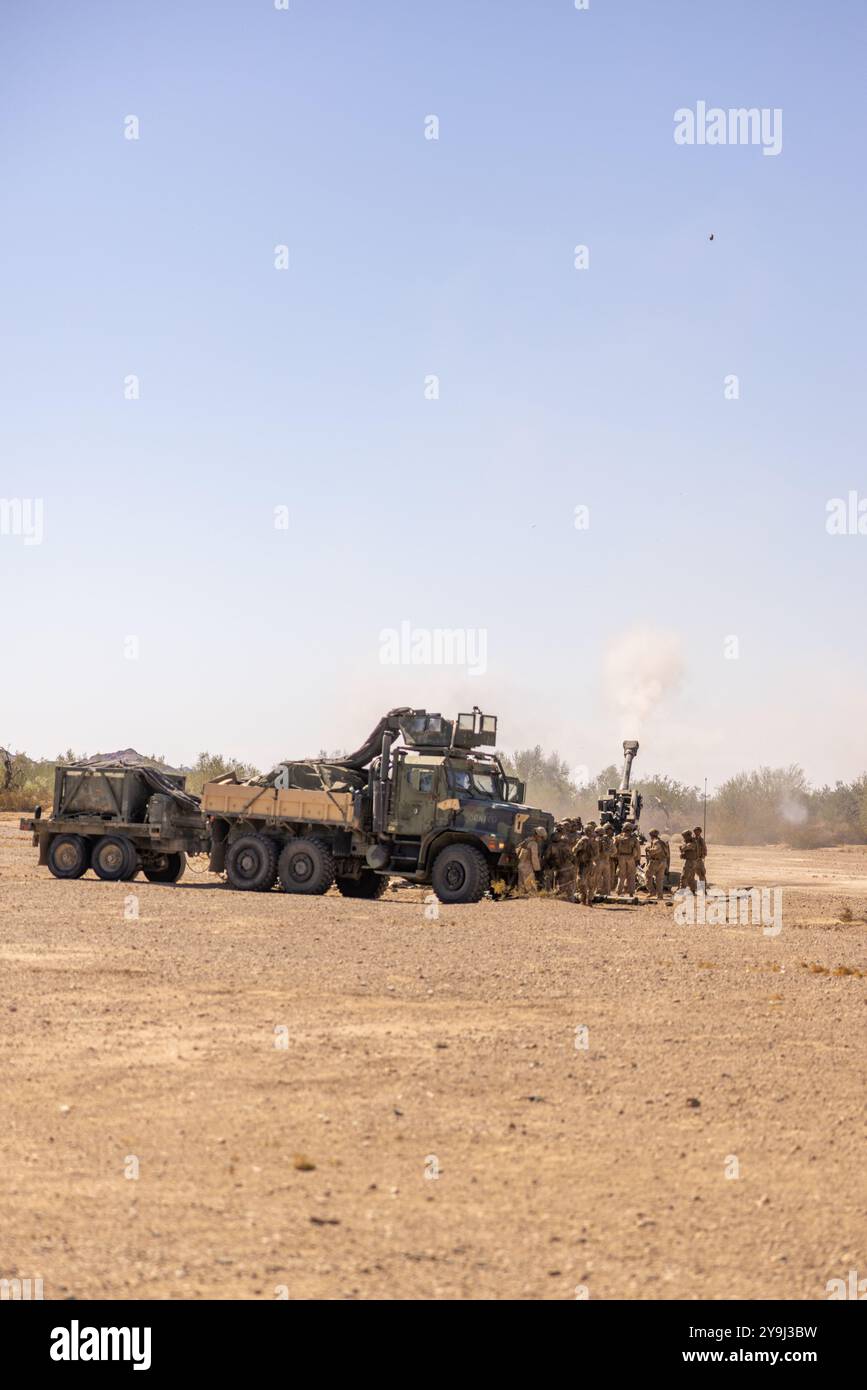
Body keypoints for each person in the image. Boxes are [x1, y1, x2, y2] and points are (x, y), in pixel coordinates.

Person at [516, 825, 547, 895]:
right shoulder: (533, 844)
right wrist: (538, 869)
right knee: (532, 890)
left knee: (521, 890)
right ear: (538, 835)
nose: (541, 839)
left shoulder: (527, 840)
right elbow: (534, 858)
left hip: (521, 866)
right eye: (541, 838)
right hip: (528, 867)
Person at [614, 818, 640, 897]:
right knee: (631, 875)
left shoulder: (618, 837)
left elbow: (614, 848)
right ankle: (631, 892)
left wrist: (615, 857)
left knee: (621, 875)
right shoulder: (634, 838)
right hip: (630, 858)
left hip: (621, 858)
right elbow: (638, 849)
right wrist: (637, 859)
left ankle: (619, 891)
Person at [644, 829, 668, 902]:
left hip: (655, 862)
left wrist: (649, 850)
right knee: (659, 879)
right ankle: (660, 895)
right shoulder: (662, 842)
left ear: (651, 835)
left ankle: (652, 891)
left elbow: (657, 850)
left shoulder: (656, 842)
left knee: (647, 875)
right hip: (663, 862)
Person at [574, 825, 595, 906]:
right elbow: (596, 854)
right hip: (590, 864)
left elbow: (574, 850)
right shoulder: (594, 841)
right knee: (590, 883)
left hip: (584, 864)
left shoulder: (583, 840)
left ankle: (584, 900)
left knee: (581, 882)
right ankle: (589, 901)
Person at [595, 824, 614, 897]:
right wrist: (609, 855)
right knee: (607, 877)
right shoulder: (609, 840)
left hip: (599, 860)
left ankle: (598, 891)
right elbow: (614, 850)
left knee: (598, 876)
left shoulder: (597, 840)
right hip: (607, 861)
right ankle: (607, 892)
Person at [693, 825, 708, 889]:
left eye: (698, 831)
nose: (697, 832)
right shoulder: (692, 839)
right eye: (696, 831)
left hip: (699, 860)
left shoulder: (701, 840)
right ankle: (692, 888)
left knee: (702, 874)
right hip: (692, 860)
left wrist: (703, 854)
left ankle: (703, 888)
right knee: (690, 875)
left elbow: (705, 848)